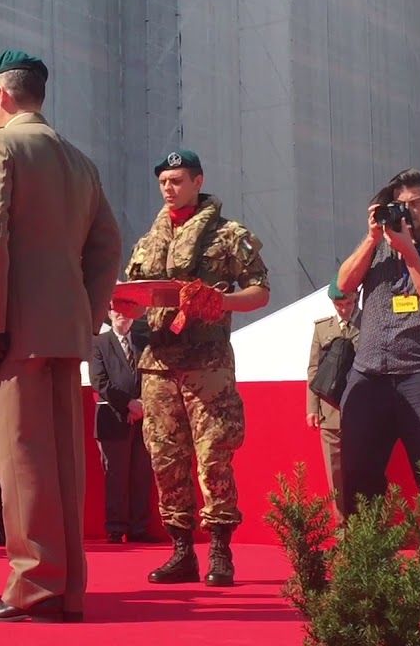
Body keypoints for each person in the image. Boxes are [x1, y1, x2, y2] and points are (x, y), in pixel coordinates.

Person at [0, 50, 121, 624]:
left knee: (22, 458)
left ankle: (33, 584)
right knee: (61, 463)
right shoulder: (80, 163)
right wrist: (85, 309)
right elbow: (107, 244)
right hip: (63, 330)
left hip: (14, 327)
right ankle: (65, 586)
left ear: (2, 95)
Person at [120, 148, 270, 588]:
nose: (169, 189)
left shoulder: (229, 235)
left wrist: (220, 301)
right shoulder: (148, 242)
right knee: (165, 459)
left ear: (198, 181)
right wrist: (120, 301)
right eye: (164, 182)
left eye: (178, 181)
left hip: (208, 363)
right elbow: (130, 296)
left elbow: (260, 291)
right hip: (159, 363)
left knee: (214, 457)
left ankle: (220, 549)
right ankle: (181, 550)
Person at [334, 169, 420, 518]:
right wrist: (372, 237)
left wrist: (409, 251)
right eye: (399, 205)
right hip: (369, 373)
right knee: (358, 471)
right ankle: (366, 557)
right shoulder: (375, 247)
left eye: (414, 203)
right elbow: (343, 285)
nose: (406, 211)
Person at [88, 307, 155, 544]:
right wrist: (128, 404)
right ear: (109, 312)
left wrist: (141, 406)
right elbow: (99, 381)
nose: (122, 316)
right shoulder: (98, 343)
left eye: (127, 311)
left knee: (142, 474)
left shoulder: (143, 341)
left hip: (142, 418)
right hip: (112, 417)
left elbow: (151, 376)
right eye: (118, 310)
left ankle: (139, 528)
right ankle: (115, 528)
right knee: (115, 476)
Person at [306, 276, 359, 525]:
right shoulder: (322, 328)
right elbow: (314, 371)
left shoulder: (369, 323)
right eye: (339, 304)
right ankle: (341, 525)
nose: (344, 309)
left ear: (355, 297)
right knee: (334, 470)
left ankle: (363, 523)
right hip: (330, 410)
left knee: (362, 468)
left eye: (347, 303)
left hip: (362, 409)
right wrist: (312, 408)